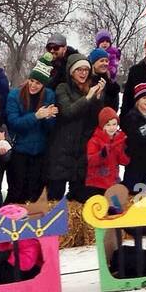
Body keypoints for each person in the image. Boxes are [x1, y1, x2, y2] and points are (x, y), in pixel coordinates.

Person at [46, 56, 103, 203]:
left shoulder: (90, 90)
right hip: (62, 149)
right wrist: (88, 97)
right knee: (54, 196)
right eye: (79, 70)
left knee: (78, 198)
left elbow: (95, 119)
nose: (83, 73)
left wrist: (97, 98)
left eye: (86, 70)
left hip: (81, 151)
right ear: (71, 72)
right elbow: (68, 112)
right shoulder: (62, 88)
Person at [4, 62, 58, 204]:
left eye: (38, 83)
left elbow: (50, 128)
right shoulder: (15, 95)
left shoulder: (49, 96)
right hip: (19, 150)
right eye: (32, 81)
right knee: (16, 191)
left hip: (39, 152)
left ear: (44, 85)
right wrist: (36, 116)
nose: (33, 85)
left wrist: (49, 117)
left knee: (34, 193)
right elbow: (14, 122)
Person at [85, 107, 128, 195]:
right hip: (96, 184)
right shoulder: (95, 140)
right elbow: (90, 160)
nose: (112, 128)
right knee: (98, 206)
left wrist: (124, 150)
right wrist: (101, 154)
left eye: (114, 124)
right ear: (102, 125)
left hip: (112, 183)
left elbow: (124, 161)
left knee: (116, 207)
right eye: (108, 125)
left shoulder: (120, 140)